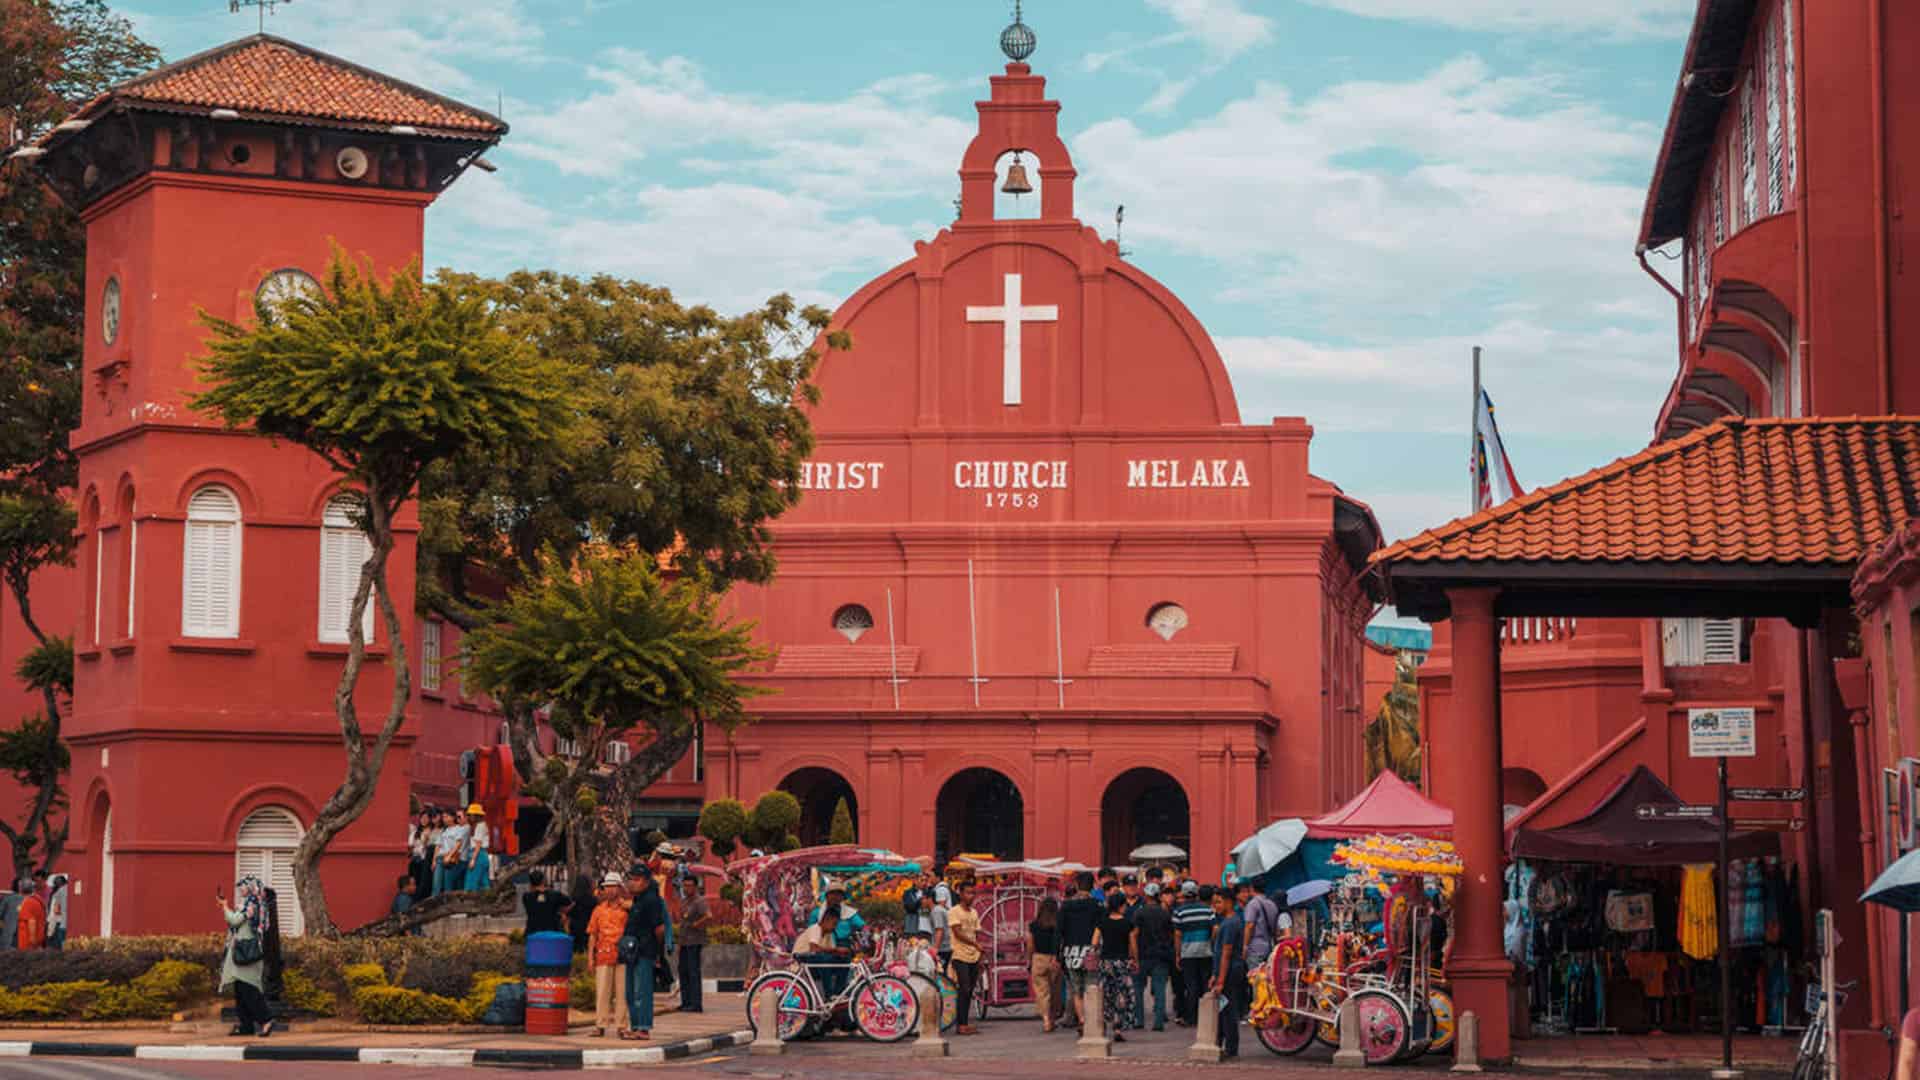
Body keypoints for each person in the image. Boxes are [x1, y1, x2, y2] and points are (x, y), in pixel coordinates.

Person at [219, 876, 274, 1037]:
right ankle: (246, 1026)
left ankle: (267, 1021)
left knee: (249, 990)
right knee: (241, 990)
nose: (240, 890)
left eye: (243, 887)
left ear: (250, 888)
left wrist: (224, 906)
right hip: (243, 955)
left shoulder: (251, 904)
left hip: (247, 955)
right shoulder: (251, 904)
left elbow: (235, 921)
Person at [621, 864, 667, 1041]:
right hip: (631, 952)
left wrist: (657, 953)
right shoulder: (638, 900)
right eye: (631, 879)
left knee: (642, 991)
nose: (633, 883)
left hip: (645, 951)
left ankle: (644, 1028)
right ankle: (635, 1026)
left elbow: (660, 929)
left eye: (637, 879)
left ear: (647, 881)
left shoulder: (652, 900)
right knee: (630, 992)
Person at [1090, 891, 1138, 1041]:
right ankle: (1118, 1028)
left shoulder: (1102, 922)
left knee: (1106, 994)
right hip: (1122, 963)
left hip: (1106, 963)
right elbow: (1133, 945)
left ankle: (1103, 1023)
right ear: (1120, 906)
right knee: (1122, 995)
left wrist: (1096, 954)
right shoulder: (1127, 923)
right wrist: (1135, 959)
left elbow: (1094, 942)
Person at [586, 872, 630, 1038]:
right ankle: (600, 1025)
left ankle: (622, 1026)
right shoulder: (598, 910)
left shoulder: (627, 908)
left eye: (613, 886)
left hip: (623, 955)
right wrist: (590, 957)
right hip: (603, 954)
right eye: (607, 887)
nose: (610, 890)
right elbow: (592, 934)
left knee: (622, 993)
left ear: (620, 888)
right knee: (602, 992)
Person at [1058, 872, 1101, 1030]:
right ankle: (1091, 1020)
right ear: (1093, 886)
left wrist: (1057, 953)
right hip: (1090, 951)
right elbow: (1100, 927)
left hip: (1071, 952)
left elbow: (1059, 931)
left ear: (1076, 885)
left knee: (1076, 989)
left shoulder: (1066, 905)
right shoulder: (1097, 905)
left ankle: (1082, 1019)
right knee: (1091, 986)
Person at [1212, 882, 1249, 1059]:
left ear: (1228, 902)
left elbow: (1226, 953)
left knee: (1227, 1010)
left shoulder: (1230, 924)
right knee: (1223, 1009)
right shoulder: (1230, 921)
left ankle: (1231, 1047)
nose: (1216, 906)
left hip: (1230, 971)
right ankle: (1220, 1042)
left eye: (1218, 902)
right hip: (1228, 970)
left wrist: (1220, 980)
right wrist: (1215, 975)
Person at [1132, 881, 1175, 1031]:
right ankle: (1158, 1022)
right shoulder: (1165, 913)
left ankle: (1139, 1020)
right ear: (1158, 895)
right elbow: (1171, 934)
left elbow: (1134, 935)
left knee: (1138, 989)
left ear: (1146, 895)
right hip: (1161, 955)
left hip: (1143, 954)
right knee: (1160, 989)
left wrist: (1134, 956)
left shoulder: (1139, 913)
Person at [1172, 881, 1215, 1026]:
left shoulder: (1179, 912)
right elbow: (1215, 928)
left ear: (1183, 895)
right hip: (1206, 952)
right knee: (1205, 985)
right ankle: (1207, 1017)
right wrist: (1210, 941)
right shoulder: (1208, 910)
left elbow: (1177, 935)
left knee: (1191, 986)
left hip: (1188, 954)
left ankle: (1192, 1018)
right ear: (1196, 893)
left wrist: (1178, 955)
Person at [948, 881, 984, 1036]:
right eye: (968, 893)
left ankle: (964, 1023)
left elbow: (977, 932)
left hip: (974, 955)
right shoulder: (954, 911)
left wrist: (979, 953)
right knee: (964, 988)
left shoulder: (974, 913)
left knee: (970, 991)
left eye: (973, 893)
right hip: (959, 954)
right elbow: (957, 932)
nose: (971, 896)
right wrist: (975, 943)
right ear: (961, 894)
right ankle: (961, 1024)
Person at [1027, 897, 1063, 1032]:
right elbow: (1060, 942)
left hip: (1039, 958)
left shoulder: (1034, 925)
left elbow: (1030, 944)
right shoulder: (1058, 925)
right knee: (1055, 991)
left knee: (1042, 992)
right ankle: (1053, 1018)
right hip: (1055, 959)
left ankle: (1046, 1020)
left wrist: (1029, 959)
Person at [676, 876, 710, 1013]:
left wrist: (697, 925)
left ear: (695, 887)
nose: (687, 888)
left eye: (690, 885)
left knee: (693, 972)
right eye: (685, 886)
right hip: (684, 942)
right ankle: (685, 1002)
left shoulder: (699, 901)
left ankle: (696, 1004)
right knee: (683, 972)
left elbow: (709, 916)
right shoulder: (684, 901)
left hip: (695, 942)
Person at [1242, 880, 1281, 968]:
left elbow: (1249, 925)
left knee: (1255, 978)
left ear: (1252, 888)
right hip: (1269, 947)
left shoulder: (1252, 904)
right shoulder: (1272, 904)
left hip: (1255, 949)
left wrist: (1245, 946)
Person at [523, 869, 572, 935]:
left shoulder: (526, 897)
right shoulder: (555, 895)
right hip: (552, 932)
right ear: (543, 880)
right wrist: (562, 912)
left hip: (532, 933)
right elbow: (570, 904)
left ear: (530, 882)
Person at [434, 810, 469, 897]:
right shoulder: (444, 830)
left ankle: (446, 905)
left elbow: (458, 844)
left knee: (448, 885)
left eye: (446, 817)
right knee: (436, 884)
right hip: (440, 858)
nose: (444, 819)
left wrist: (449, 856)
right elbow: (438, 846)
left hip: (450, 858)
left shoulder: (459, 829)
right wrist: (433, 860)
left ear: (453, 817)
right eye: (443, 817)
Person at [464, 804, 492, 892]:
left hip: (478, 855)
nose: (470, 816)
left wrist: (473, 859)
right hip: (481, 855)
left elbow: (478, 844)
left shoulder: (480, 826)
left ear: (477, 815)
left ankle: (469, 902)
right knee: (484, 883)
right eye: (469, 815)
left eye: (472, 814)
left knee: (471, 883)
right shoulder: (478, 826)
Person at [15, 880, 45, 949]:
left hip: (27, 940)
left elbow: (32, 921)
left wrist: (32, 938)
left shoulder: (29, 902)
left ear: (20, 889)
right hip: (37, 936)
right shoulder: (38, 899)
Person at [45, 874, 68, 950]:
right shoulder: (69, 891)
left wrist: (50, 931)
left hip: (58, 925)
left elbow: (55, 912)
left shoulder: (57, 894)